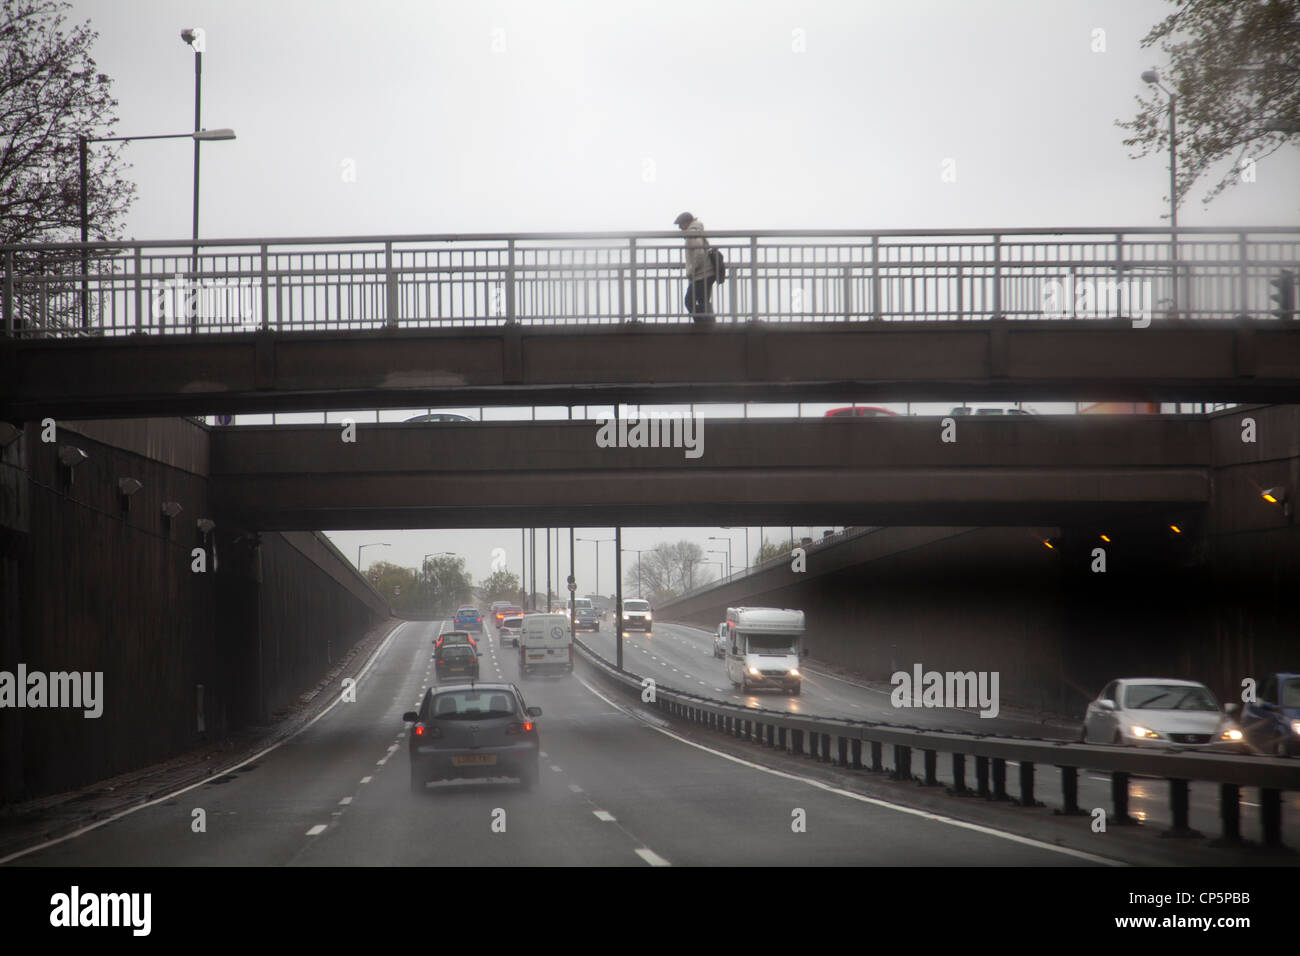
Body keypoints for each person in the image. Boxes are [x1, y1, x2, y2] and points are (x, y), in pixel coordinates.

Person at [674, 211, 715, 325]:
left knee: (689, 301)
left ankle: (705, 326)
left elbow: (699, 254)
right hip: (707, 272)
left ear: (686, 222)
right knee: (703, 302)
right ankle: (709, 326)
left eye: (680, 225)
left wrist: (691, 270)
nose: (680, 228)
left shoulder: (692, 233)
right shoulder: (697, 230)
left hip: (701, 274)